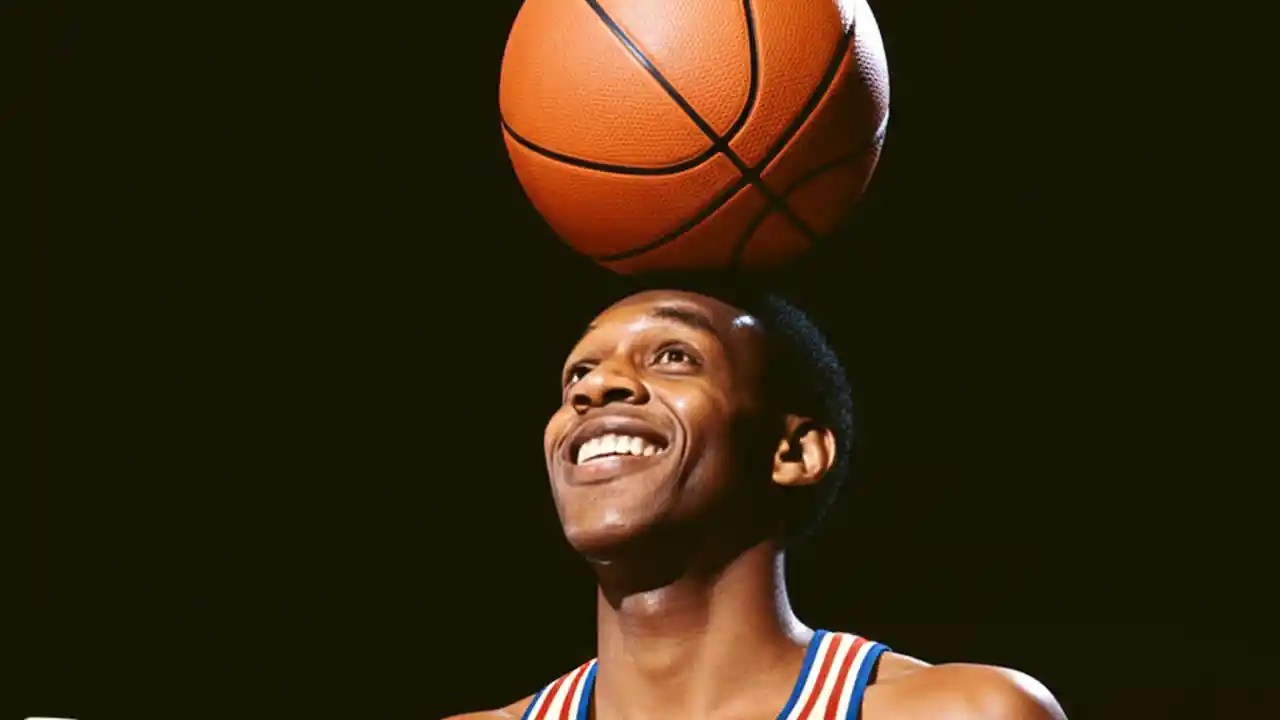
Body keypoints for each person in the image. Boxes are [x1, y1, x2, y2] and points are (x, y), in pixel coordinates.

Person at [446, 281, 1066, 720]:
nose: (596, 386)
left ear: (793, 453)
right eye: (577, 374)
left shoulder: (965, 713)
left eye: (673, 357)